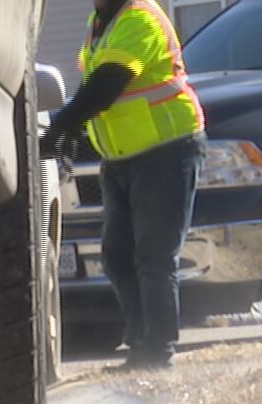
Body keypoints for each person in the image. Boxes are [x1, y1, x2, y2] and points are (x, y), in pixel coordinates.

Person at [41, 0, 206, 370]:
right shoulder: (100, 22)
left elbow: (107, 84)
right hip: (121, 156)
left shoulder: (139, 18)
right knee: (117, 255)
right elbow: (93, 91)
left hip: (166, 149)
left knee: (154, 256)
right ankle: (140, 343)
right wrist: (74, 126)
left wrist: (62, 123)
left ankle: (157, 351)